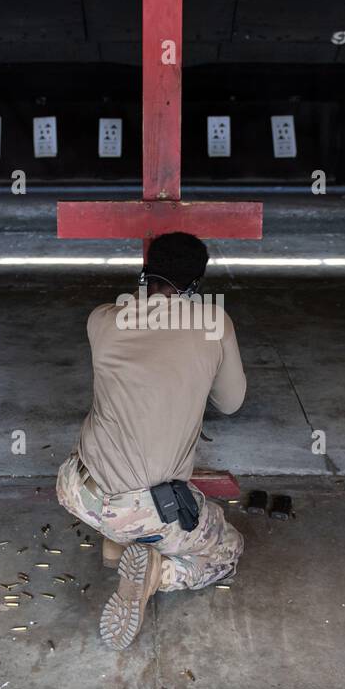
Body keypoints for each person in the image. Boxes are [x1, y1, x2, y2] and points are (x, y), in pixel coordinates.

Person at [56, 232, 246, 649]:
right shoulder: (214, 323)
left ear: (144, 273)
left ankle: (116, 544)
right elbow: (231, 402)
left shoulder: (102, 320)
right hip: (142, 506)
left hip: (76, 488)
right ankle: (157, 573)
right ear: (197, 284)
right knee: (227, 549)